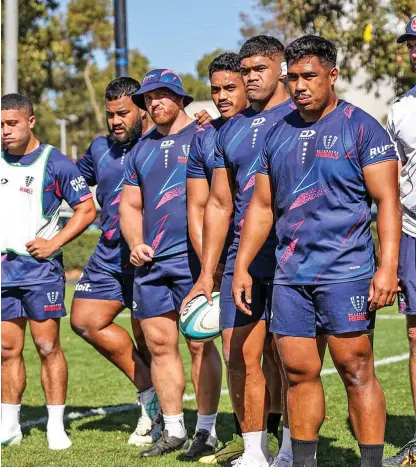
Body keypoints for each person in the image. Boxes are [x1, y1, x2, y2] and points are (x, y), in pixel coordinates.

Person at [232, 35, 401, 467]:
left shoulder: (362, 127)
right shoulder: (276, 132)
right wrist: (243, 266)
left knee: (355, 368)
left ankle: (370, 464)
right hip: (290, 275)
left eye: (310, 76)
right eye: (293, 78)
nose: (300, 85)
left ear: (333, 75)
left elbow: (387, 202)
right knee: (298, 372)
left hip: (347, 269)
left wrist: (387, 268)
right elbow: (263, 206)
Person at [183, 36, 295, 467]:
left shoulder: (299, 115)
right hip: (240, 257)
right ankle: (253, 451)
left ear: (280, 69)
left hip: (291, 251)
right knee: (238, 351)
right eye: (243, 72)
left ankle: (290, 448)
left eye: (257, 70)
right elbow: (218, 203)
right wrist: (207, 274)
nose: (248, 79)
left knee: (288, 355)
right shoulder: (224, 130)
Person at [120, 68, 222, 459]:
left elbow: (220, 197)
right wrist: (135, 242)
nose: (155, 102)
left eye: (163, 95)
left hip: (192, 260)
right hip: (151, 263)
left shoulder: (205, 136)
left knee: (199, 344)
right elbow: (130, 205)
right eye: (148, 98)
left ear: (181, 98)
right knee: (160, 346)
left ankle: (207, 430)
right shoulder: (140, 149)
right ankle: (174, 428)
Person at [1, 93, 96, 449]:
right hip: (3, 272)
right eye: (1, 125)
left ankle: (56, 425)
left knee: (46, 345)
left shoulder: (56, 163)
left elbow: (86, 210)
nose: (5, 131)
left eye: (12, 123)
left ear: (30, 121)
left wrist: (55, 244)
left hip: (40, 271)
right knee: (6, 350)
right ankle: (9, 424)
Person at [70, 77, 161, 446]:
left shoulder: (162, 145)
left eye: (123, 113)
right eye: (110, 115)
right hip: (108, 256)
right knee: (84, 321)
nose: (116, 122)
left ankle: (166, 417)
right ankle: (151, 393)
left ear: (141, 109)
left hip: (149, 257)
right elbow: (66, 179)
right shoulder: (99, 148)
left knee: (150, 339)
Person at [383, 15, 416, 467]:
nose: (414, 50)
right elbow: (387, 187)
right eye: (411, 43)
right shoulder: (399, 110)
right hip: (414, 234)